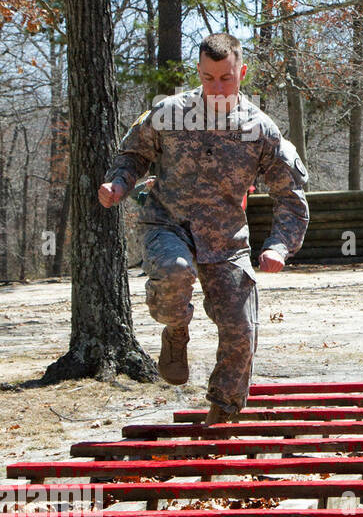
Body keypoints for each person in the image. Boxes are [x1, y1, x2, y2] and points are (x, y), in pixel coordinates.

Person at [98, 33, 309, 424]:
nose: (216, 87)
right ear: (198, 72)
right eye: (208, 77)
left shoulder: (260, 129)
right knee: (175, 271)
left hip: (226, 241)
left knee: (241, 329)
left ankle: (223, 409)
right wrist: (118, 184)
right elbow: (133, 155)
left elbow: (290, 195)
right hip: (169, 224)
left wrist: (279, 245)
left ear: (241, 73)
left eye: (225, 78)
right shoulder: (169, 113)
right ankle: (176, 330)